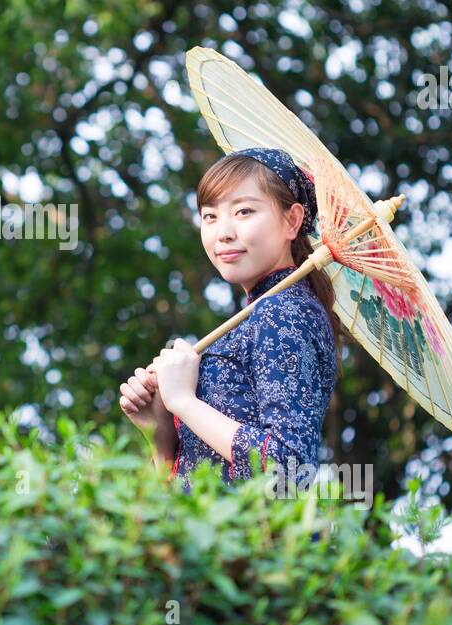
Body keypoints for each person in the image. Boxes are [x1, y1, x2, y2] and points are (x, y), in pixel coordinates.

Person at [119, 147, 341, 495]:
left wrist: (183, 401)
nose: (223, 232)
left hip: (255, 544)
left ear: (292, 221)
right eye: (209, 216)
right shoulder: (258, 314)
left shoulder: (282, 312)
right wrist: (160, 433)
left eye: (244, 211)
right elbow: (200, 473)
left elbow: (289, 470)